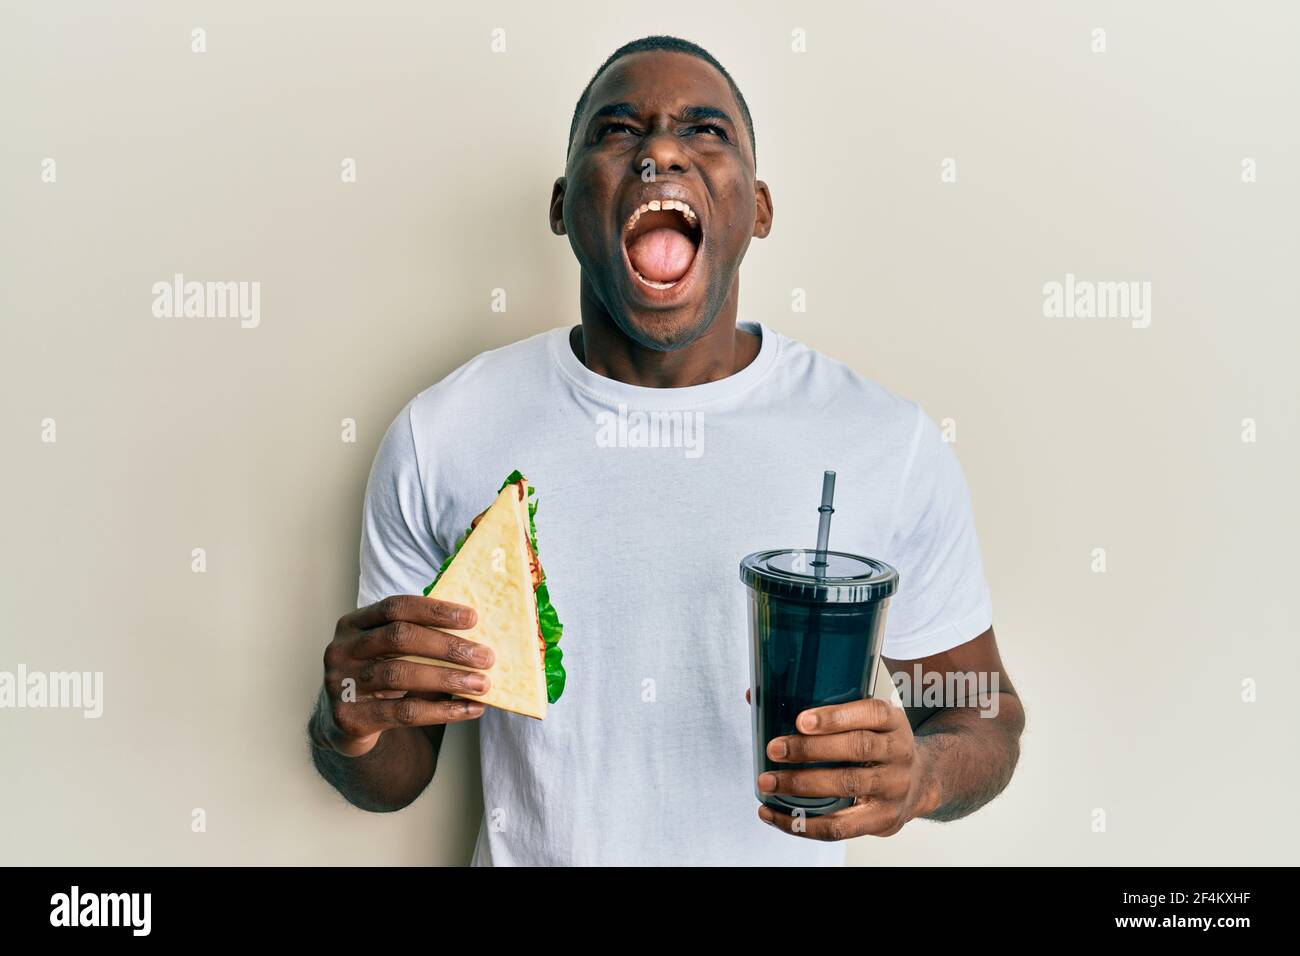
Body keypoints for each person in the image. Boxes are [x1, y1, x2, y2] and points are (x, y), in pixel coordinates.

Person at [308, 35, 1025, 866]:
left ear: (756, 208)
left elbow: (982, 711)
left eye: (706, 130)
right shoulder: (444, 433)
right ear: (563, 203)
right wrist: (348, 718)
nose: (659, 150)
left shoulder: (881, 440)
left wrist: (922, 778)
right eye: (617, 130)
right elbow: (391, 779)